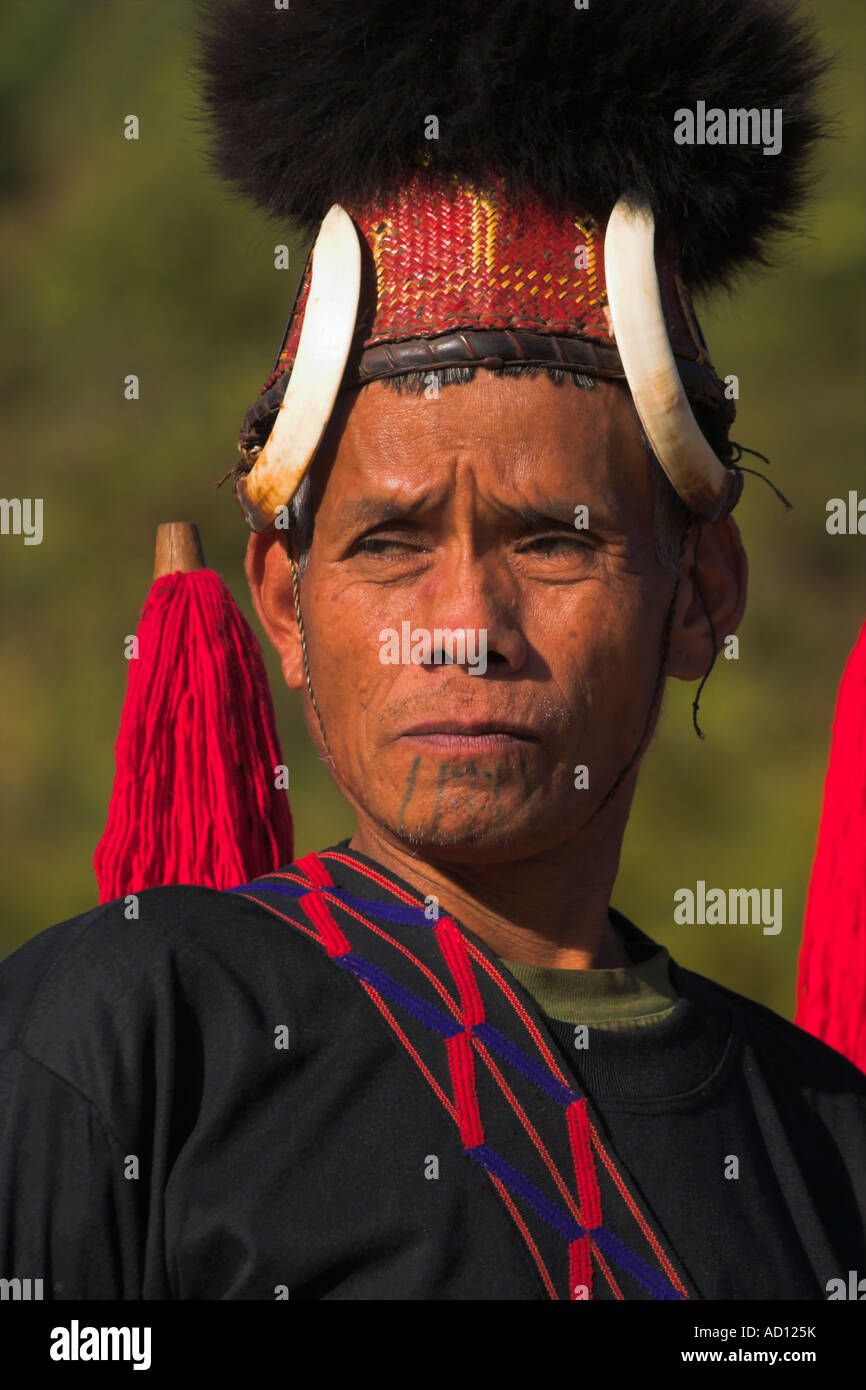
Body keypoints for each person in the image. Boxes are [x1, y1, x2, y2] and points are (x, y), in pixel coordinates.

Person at [2, 0, 864, 1302]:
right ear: (284, 606)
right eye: (390, 543)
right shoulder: (121, 1038)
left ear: (698, 594)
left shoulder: (827, 1146)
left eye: (552, 542)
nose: (459, 622)